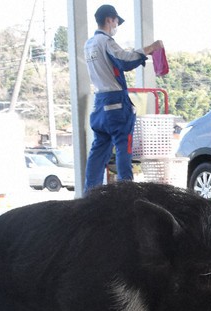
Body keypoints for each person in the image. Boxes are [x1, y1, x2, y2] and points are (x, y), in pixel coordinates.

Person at [83, 4, 163, 193]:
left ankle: (89, 195)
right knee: (123, 147)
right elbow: (125, 60)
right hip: (116, 103)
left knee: (98, 150)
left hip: (99, 104)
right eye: (116, 22)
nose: (116, 26)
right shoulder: (105, 41)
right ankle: (126, 194)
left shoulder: (88, 44)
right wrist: (149, 49)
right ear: (109, 20)